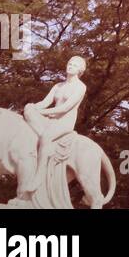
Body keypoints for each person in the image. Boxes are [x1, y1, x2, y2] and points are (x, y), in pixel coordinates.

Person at [20, 56, 88, 199]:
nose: (70, 66)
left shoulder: (80, 87)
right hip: (51, 119)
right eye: (69, 63)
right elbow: (45, 103)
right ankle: (41, 147)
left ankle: (38, 177)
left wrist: (41, 112)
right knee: (28, 111)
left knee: (46, 136)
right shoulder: (58, 86)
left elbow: (65, 108)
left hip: (65, 123)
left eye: (74, 65)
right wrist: (32, 107)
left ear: (80, 70)